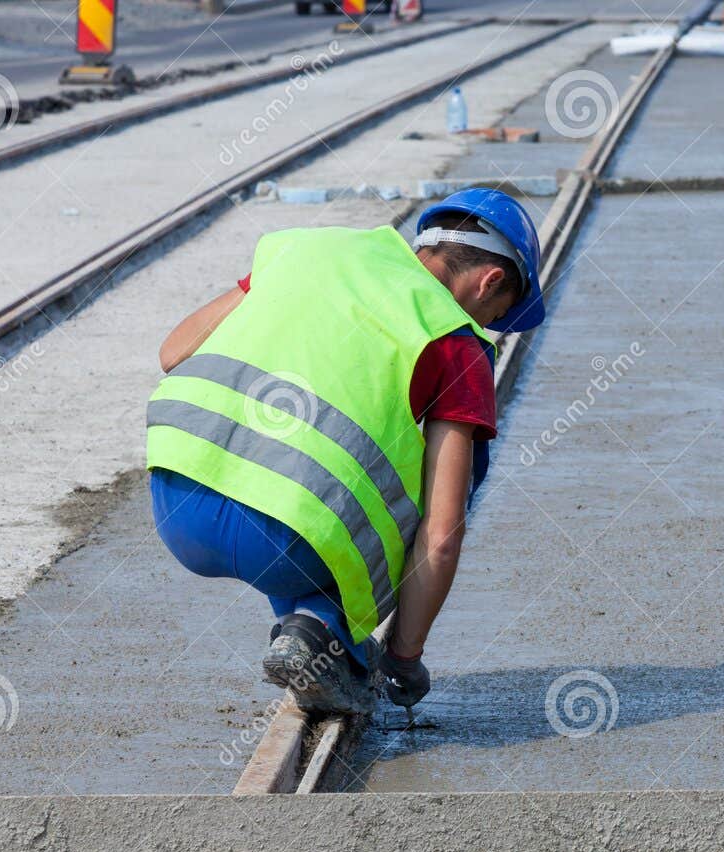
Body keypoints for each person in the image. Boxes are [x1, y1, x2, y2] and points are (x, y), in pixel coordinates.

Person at [145, 188, 544, 713]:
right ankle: (324, 628)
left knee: (303, 469)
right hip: (287, 541)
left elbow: (174, 352)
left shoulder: (312, 248)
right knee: (428, 491)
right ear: (490, 280)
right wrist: (404, 655)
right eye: (496, 314)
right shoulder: (455, 342)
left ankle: (308, 628)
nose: (487, 327)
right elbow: (443, 534)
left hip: (176, 500)